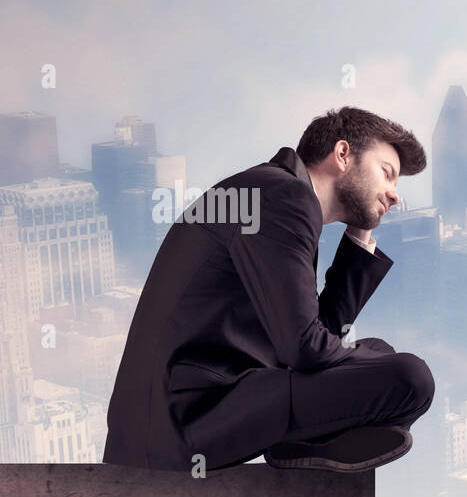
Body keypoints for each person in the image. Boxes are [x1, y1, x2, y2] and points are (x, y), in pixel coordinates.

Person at [102, 107, 435, 473]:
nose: (394, 195)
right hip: (186, 418)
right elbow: (305, 350)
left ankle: (306, 443)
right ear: (342, 155)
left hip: (194, 409)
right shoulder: (283, 197)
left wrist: (359, 234)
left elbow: (314, 335)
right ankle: (309, 441)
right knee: (410, 377)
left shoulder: (275, 191)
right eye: (387, 174)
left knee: (379, 352)